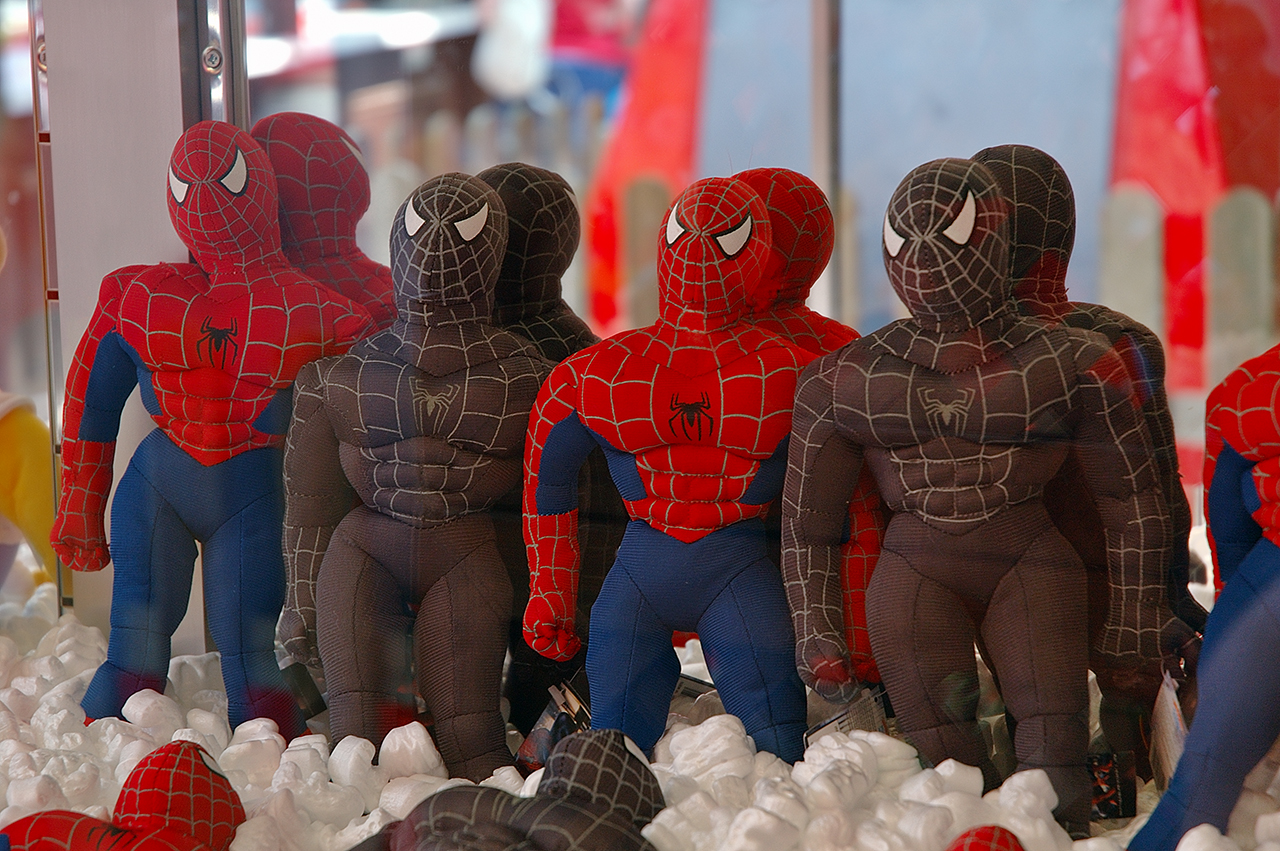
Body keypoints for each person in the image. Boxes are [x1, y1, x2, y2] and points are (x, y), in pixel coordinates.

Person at [782, 158, 1189, 832]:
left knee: (1053, 751)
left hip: (1024, 557)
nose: (926, 259)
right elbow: (808, 525)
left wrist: (1136, 615)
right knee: (940, 758)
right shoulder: (844, 377)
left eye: (947, 234)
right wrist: (815, 628)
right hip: (926, 565)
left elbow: (1135, 502)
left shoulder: (1074, 359)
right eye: (906, 240)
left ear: (994, 238)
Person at [52, 121, 373, 739]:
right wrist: (77, 512)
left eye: (220, 182)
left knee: (247, 652)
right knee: (140, 645)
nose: (203, 199)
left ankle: (260, 734)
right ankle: (124, 716)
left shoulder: (319, 312)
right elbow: (89, 400)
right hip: (181, 483)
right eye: (187, 184)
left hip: (237, 489)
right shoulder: (139, 296)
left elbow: (358, 433)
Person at [523, 175, 809, 761]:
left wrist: (551, 595)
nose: (703, 251)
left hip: (645, 571)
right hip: (736, 567)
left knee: (620, 741)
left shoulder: (594, 373)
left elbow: (547, 481)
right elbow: (843, 502)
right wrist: (840, 619)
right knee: (772, 749)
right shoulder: (800, 373)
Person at [281, 174, 549, 780]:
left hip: (464, 547)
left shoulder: (531, 378)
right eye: (422, 233)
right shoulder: (339, 376)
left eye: (458, 234)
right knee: (354, 735)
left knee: (472, 737)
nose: (434, 256)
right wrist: (298, 600)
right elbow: (310, 501)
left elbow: (558, 503)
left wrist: (559, 605)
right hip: (372, 543)